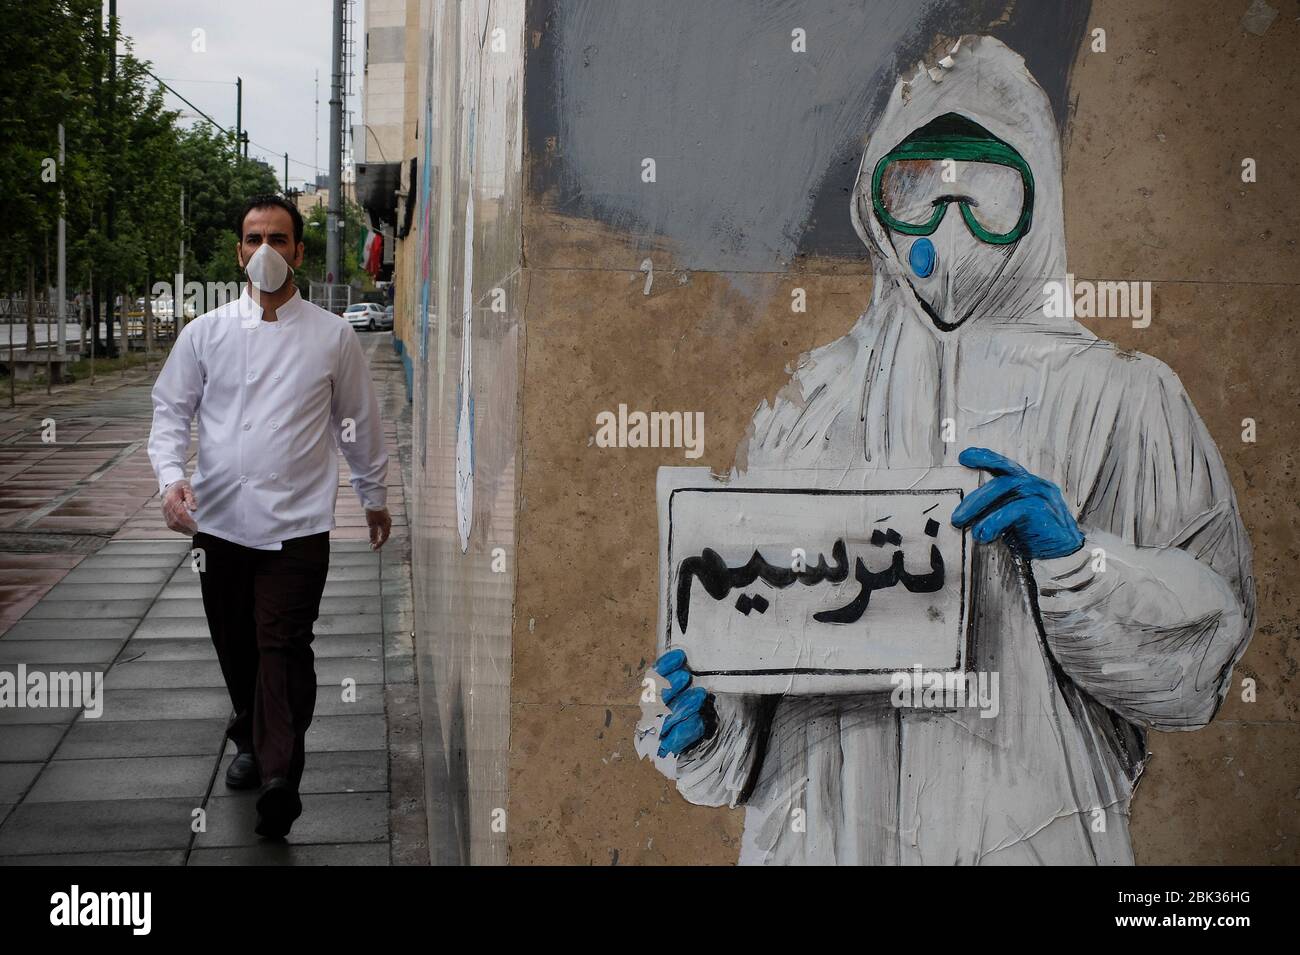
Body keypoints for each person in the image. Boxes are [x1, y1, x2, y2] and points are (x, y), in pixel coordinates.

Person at [646, 36, 1255, 864]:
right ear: (879, 204)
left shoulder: (1124, 396)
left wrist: (1078, 564)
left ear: (1037, 198)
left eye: (985, 193)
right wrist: (704, 726)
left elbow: (1201, 657)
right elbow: (744, 684)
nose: (949, 225)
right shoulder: (811, 402)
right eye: (918, 191)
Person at [147, 194, 392, 839]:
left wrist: (373, 496)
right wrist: (171, 481)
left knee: (281, 645)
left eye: (278, 239)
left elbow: (358, 424)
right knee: (237, 646)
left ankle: (280, 776)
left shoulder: (333, 336)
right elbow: (170, 412)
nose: (265, 251)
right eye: (254, 238)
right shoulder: (204, 334)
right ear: (238, 252)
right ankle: (252, 739)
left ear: (298, 252)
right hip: (218, 525)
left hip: (298, 526)